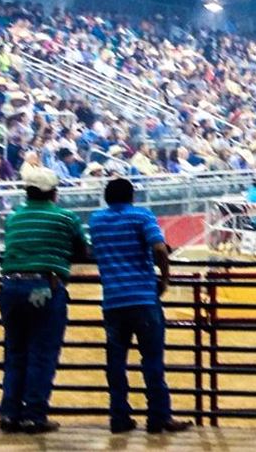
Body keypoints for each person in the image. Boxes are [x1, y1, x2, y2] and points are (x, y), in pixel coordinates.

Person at [87, 178, 191, 434]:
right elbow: (158, 247)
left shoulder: (96, 220)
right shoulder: (142, 216)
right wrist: (164, 279)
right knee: (152, 360)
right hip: (143, 297)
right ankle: (158, 417)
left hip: (113, 300)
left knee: (116, 363)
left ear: (107, 198)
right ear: (132, 197)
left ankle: (119, 417)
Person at [0, 166, 91, 434]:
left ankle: (9, 413)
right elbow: (82, 252)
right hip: (44, 286)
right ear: (54, 192)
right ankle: (34, 415)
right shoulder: (66, 217)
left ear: (27, 191)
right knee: (42, 353)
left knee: (15, 352)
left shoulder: (14, 216)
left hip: (11, 286)